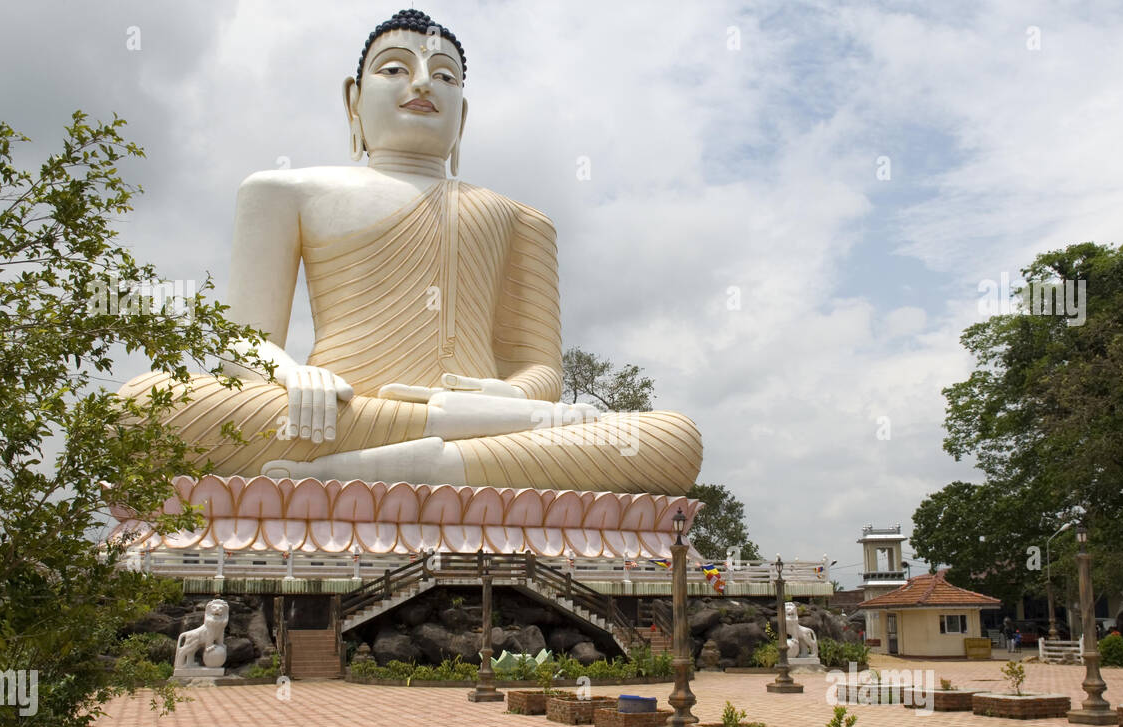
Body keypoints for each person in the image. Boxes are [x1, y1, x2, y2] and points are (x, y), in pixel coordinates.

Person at [118, 8, 702, 494]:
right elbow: (240, 341)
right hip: (336, 417)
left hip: (500, 426)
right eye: (395, 68)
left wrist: (516, 398)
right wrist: (295, 377)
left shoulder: (519, 217)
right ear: (354, 99)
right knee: (143, 411)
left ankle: (364, 474)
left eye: (445, 77)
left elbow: (542, 368)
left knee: (671, 439)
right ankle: (430, 453)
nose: (422, 84)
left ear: (463, 114)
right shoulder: (285, 191)